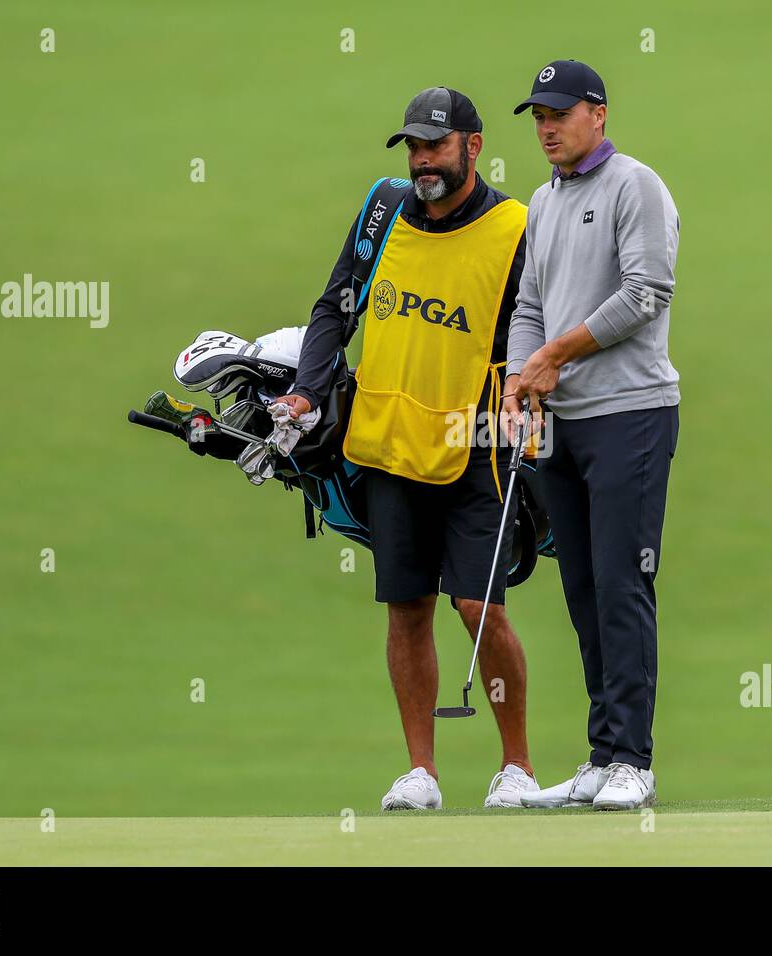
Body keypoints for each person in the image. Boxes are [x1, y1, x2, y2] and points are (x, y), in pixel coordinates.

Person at [275, 88, 539, 810]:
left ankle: (516, 766)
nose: (424, 161)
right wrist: (305, 390)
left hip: (474, 443)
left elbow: (537, 335)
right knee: (406, 607)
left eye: (436, 146)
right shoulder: (385, 212)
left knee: (478, 605)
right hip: (386, 442)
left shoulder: (518, 227)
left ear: (473, 146)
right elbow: (336, 306)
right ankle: (420, 771)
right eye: (414, 148)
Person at [503, 60, 680, 810]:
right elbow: (529, 305)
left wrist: (551, 357)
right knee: (580, 589)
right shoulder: (542, 202)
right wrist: (518, 380)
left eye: (560, 114)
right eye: (538, 117)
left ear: (598, 114)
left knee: (620, 585)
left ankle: (633, 761)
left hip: (631, 415)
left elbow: (645, 293)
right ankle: (601, 754)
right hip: (563, 425)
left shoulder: (636, 185)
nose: (546, 128)